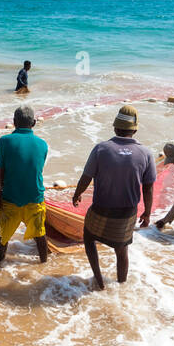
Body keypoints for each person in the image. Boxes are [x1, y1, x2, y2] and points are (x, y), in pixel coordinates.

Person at [71, 105, 156, 289]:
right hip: (127, 214)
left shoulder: (101, 149)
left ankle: (99, 280)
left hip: (101, 209)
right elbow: (148, 188)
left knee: (88, 237)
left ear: (115, 128)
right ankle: (121, 283)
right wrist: (147, 213)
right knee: (122, 248)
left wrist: (77, 194)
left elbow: (86, 177)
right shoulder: (146, 153)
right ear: (134, 130)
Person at [0, 105, 49, 265]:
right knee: (40, 235)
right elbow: (36, 169)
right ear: (33, 123)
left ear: (14, 122)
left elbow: (1, 171)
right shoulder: (43, 144)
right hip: (35, 198)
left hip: (11, 198)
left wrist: (2, 189)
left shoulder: (4, 141)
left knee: (2, 237)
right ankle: (44, 265)